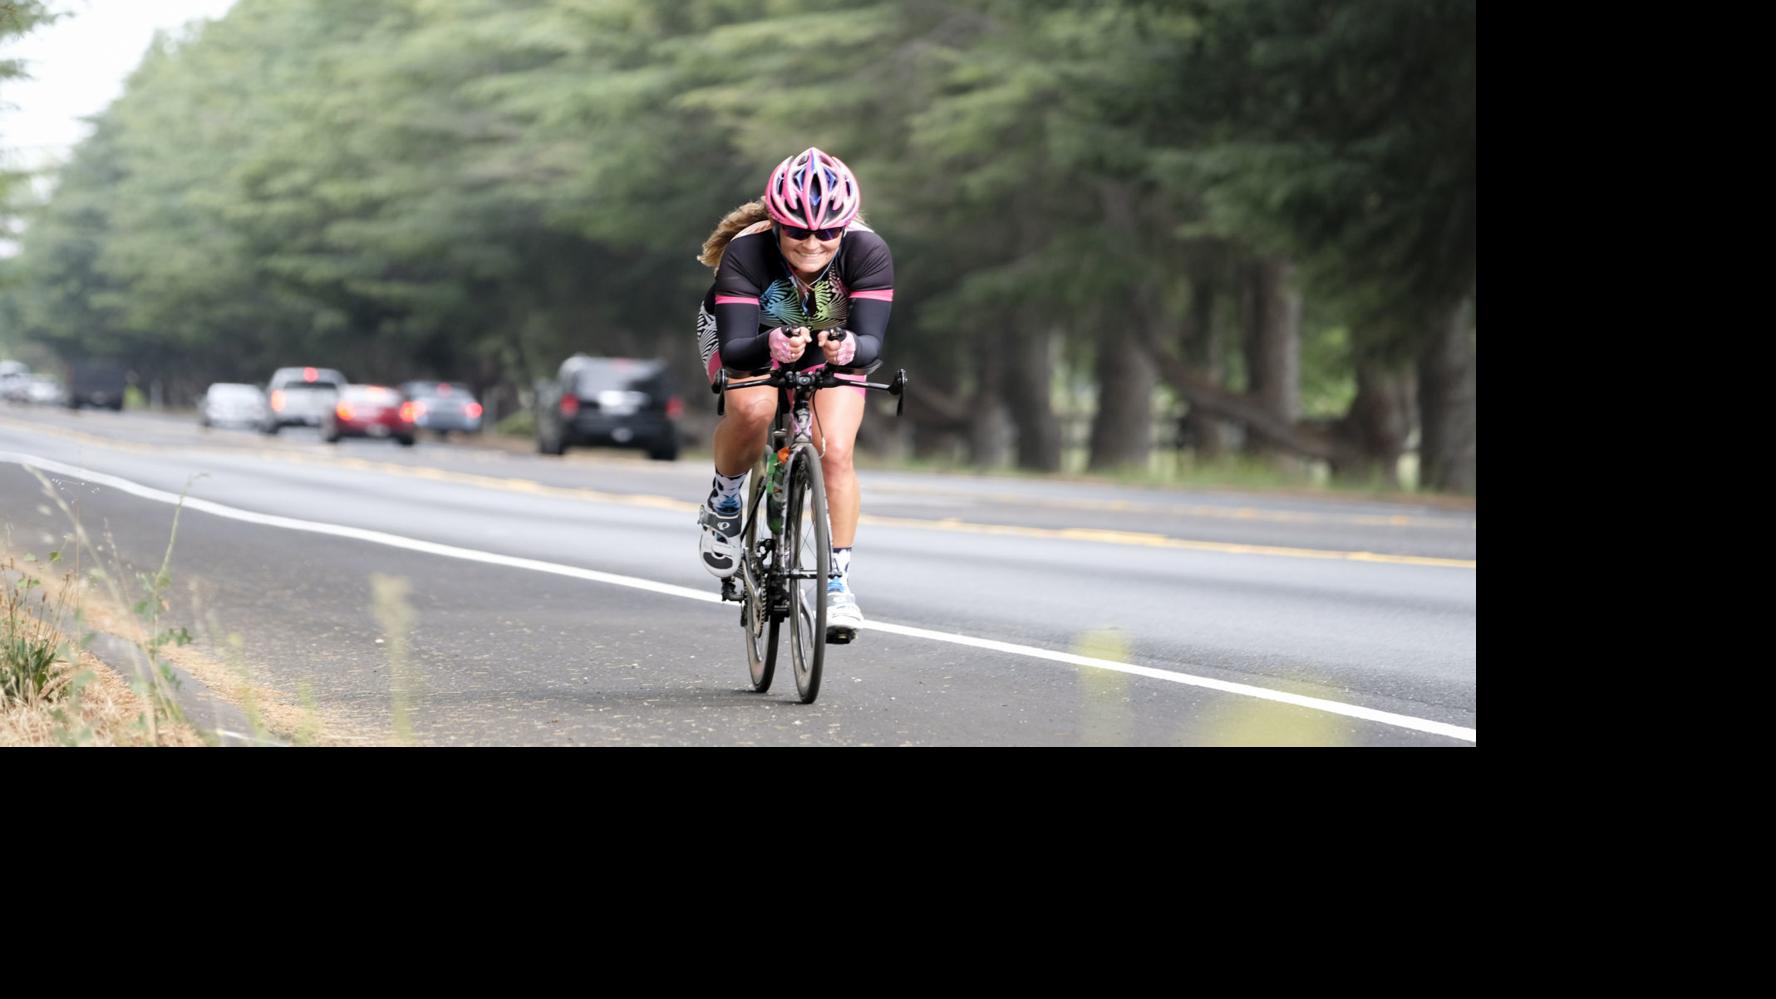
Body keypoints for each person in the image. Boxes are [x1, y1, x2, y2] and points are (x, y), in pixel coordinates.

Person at [693, 147, 894, 641]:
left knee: (835, 450)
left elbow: (871, 342)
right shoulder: (747, 251)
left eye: (827, 232)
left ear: (844, 228)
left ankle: (836, 582)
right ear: (777, 225)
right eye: (798, 232)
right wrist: (772, 345)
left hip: (826, 347)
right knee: (754, 408)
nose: (812, 243)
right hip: (749, 338)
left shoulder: (868, 252)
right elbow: (737, 350)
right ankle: (725, 499)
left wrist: (849, 347)